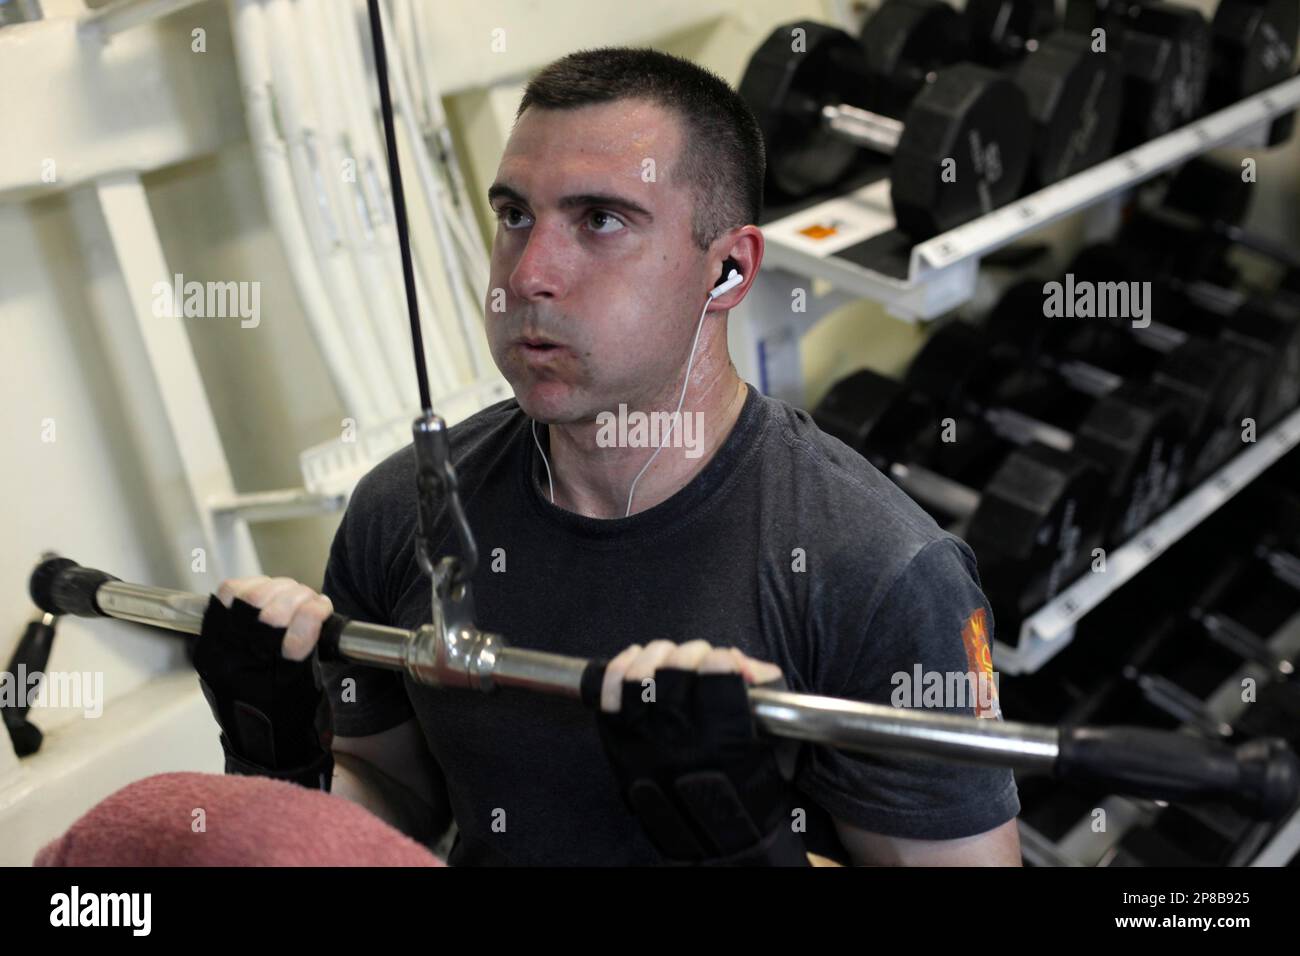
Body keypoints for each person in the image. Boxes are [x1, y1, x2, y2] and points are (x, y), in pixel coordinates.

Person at [203, 45, 1021, 866]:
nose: (529, 274)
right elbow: (398, 792)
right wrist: (282, 763)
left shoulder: (881, 570)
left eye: (600, 220)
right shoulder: (403, 510)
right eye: (515, 216)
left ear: (729, 270)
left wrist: (750, 849)